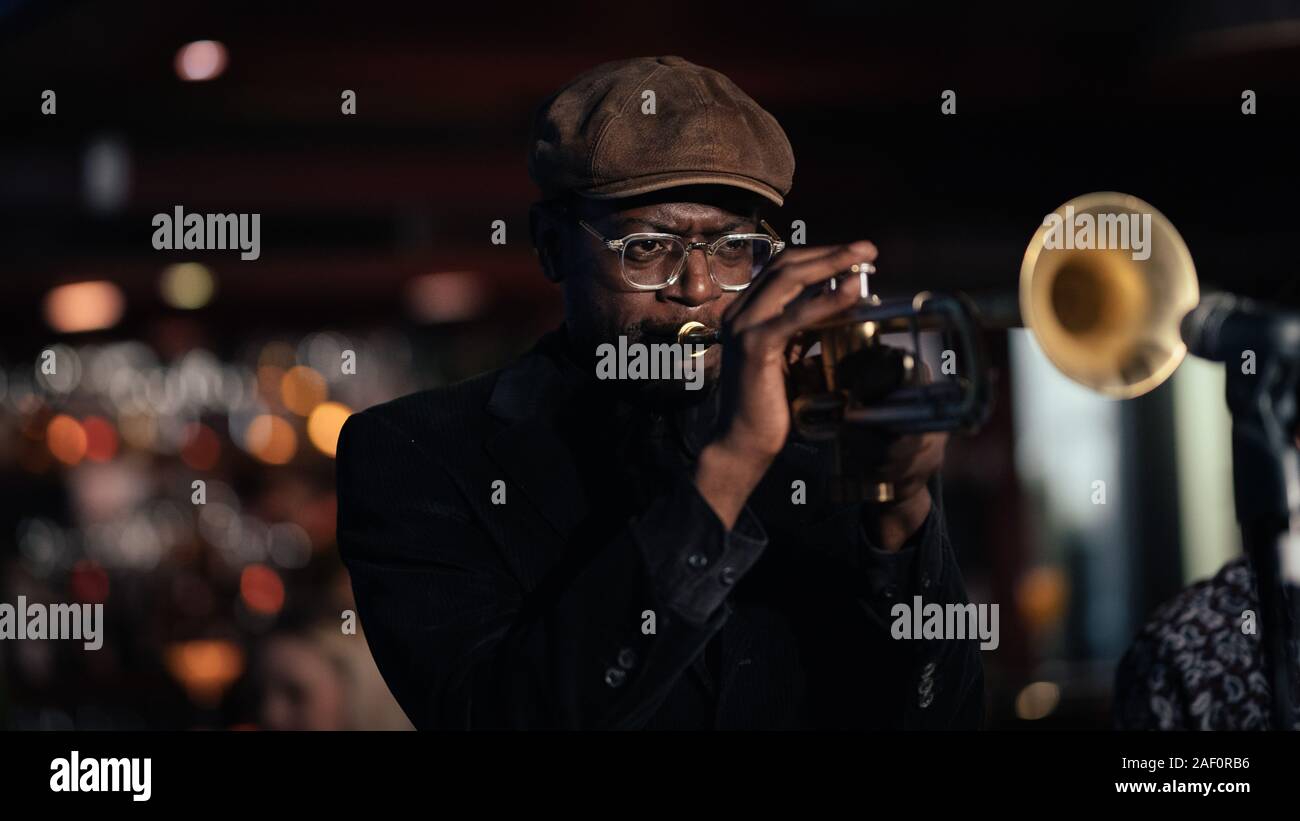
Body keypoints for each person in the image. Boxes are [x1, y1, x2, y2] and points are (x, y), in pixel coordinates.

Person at [336, 56, 984, 730]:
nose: (698, 288)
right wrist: (728, 469)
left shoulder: (833, 428)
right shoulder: (416, 452)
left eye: (735, 248)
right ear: (552, 246)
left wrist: (899, 513)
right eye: (646, 248)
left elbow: (949, 716)